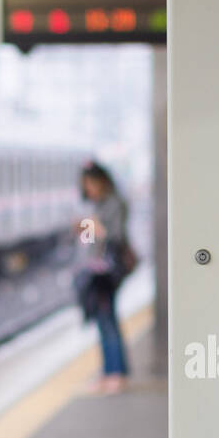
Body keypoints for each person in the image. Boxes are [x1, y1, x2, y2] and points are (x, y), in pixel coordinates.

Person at [73, 160, 130, 393]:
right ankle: (109, 371)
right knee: (103, 321)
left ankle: (116, 373)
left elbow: (116, 236)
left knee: (108, 321)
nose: (90, 189)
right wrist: (84, 229)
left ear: (103, 182)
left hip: (107, 270)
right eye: (87, 184)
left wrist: (96, 228)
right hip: (94, 269)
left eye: (93, 183)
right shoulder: (94, 206)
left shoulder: (115, 204)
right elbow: (89, 240)